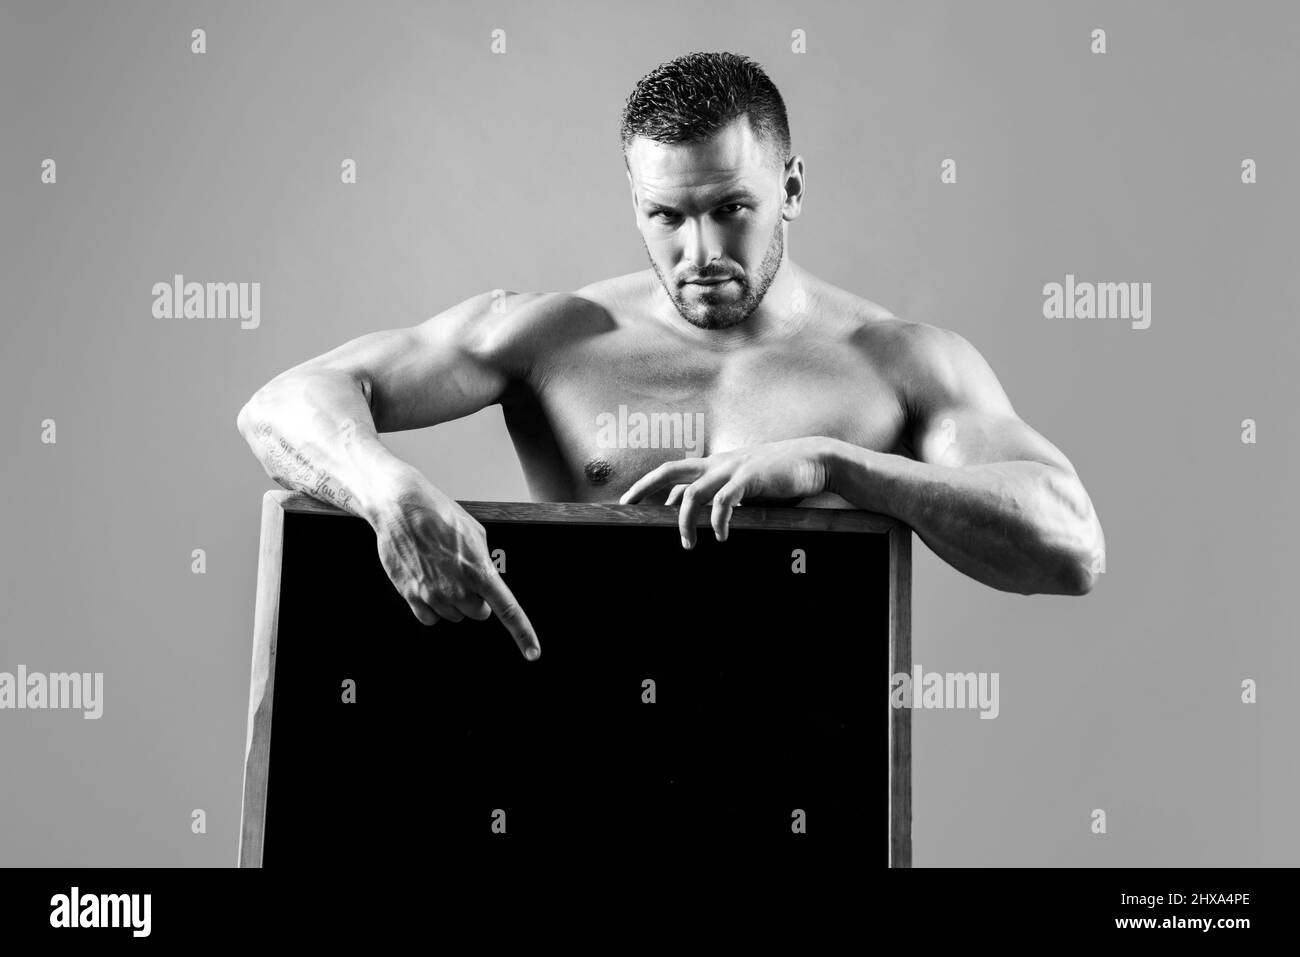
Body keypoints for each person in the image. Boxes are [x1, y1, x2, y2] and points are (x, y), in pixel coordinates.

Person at [236, 51, 1104, 663]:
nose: (699, 251)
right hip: (577, 770)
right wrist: (388, 495)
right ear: (636, 200)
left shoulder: (896, 361)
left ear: (791, 187)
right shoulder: (555, 336)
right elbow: (283, 404)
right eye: (666, 216)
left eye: (732, 207)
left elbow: (1068, 543)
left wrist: (838, 463)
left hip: (808, 785)